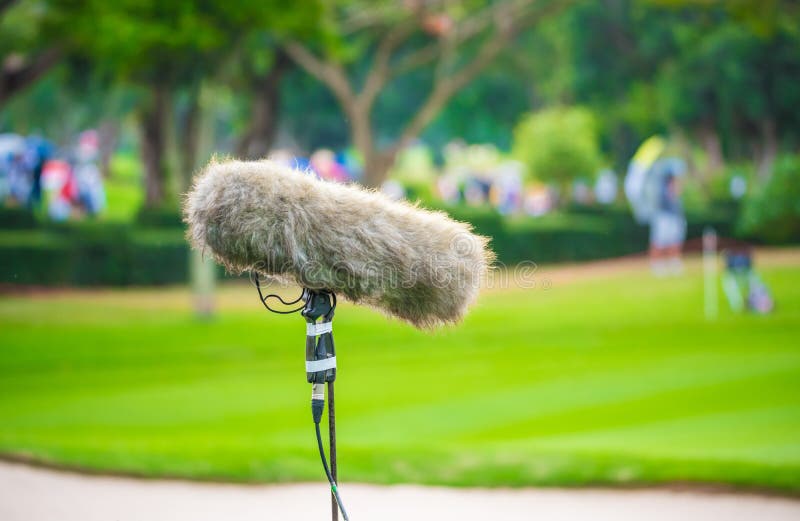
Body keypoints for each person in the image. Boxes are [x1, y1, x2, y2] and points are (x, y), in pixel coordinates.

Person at [650, 165, 686, 276]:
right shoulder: (661, 187)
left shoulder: (673, 185)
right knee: (660, 241)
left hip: (674, 217)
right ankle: (657, 264)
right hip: (663, 217)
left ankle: (674, 262)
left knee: (674, 240)